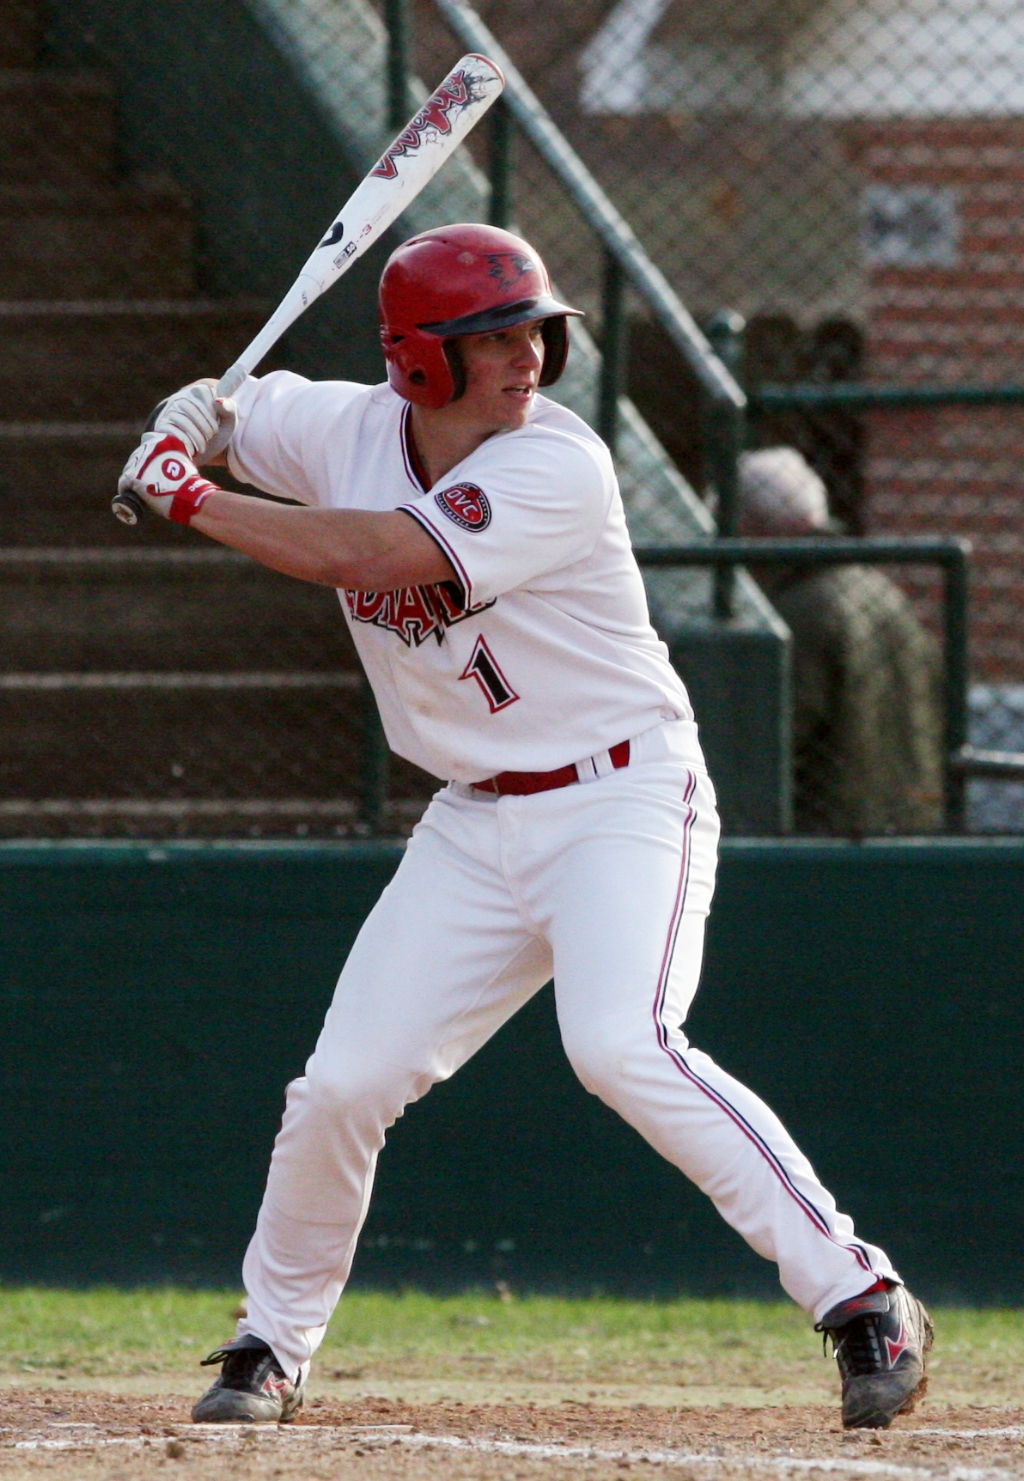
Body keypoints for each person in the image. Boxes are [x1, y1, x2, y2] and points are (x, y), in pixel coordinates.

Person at [117, 224, 932, 1431]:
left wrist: (191, 495)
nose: (526, 359)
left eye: (533, 333)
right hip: (472, 818)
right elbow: (238, 409)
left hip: (620, 795)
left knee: (621, 1041)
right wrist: (189, 419)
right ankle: (270, 1344)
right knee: (342, 1083)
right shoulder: (341, 427)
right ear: (419, 365)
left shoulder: (559, 463)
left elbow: (374, 552)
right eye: (490, 339)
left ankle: (861, 1293)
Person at [738, 448, 944, 836]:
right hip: (906, 811)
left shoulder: (797, 612)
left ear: (754, 524)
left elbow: (780, 729)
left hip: (835, 825)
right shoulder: (877, 589)